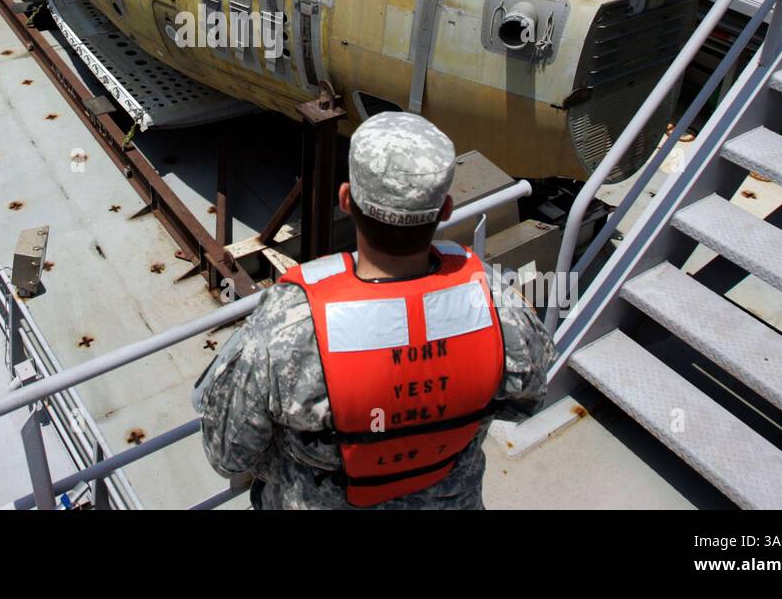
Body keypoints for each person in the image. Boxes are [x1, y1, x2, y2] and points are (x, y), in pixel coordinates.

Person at [196, 112, 554, 510]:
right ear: (447, 208)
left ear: (346, 199)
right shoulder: (496, 306)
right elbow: (528, 401)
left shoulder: (288, 324)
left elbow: (228, 454)